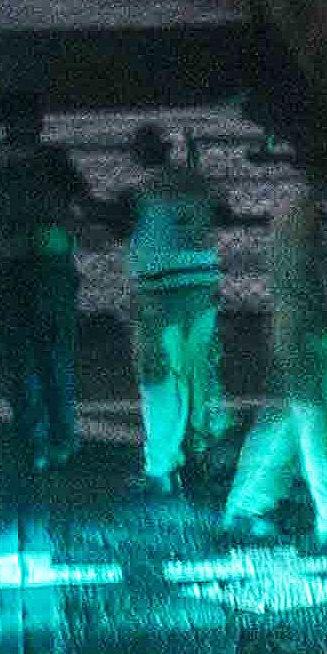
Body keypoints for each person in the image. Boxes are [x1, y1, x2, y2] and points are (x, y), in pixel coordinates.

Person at [0, 90, 88, 469]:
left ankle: (33, 442)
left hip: (8, 267)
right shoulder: (52, 159)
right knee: (54, 355)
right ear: (35, 122)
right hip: (49, 266)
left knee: (20, 358)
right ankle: (62, 436)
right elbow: (83, 202)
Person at [224, 179, 327, 545]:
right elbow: (315, 288)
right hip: (308, 332)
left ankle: (247, 506)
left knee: (283, 424)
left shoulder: (290, 217)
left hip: (292, 328)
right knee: (322, 428)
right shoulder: (307, 225)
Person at [106, 123, 235, 489]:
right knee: (202, 370)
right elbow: (223, 213)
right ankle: (205, 446)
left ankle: (162, 465)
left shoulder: (136, 192)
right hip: (201, 285)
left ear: (138, 154)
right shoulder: (198, 183)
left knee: (159, 377)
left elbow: (116, 229)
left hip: (157, 294)